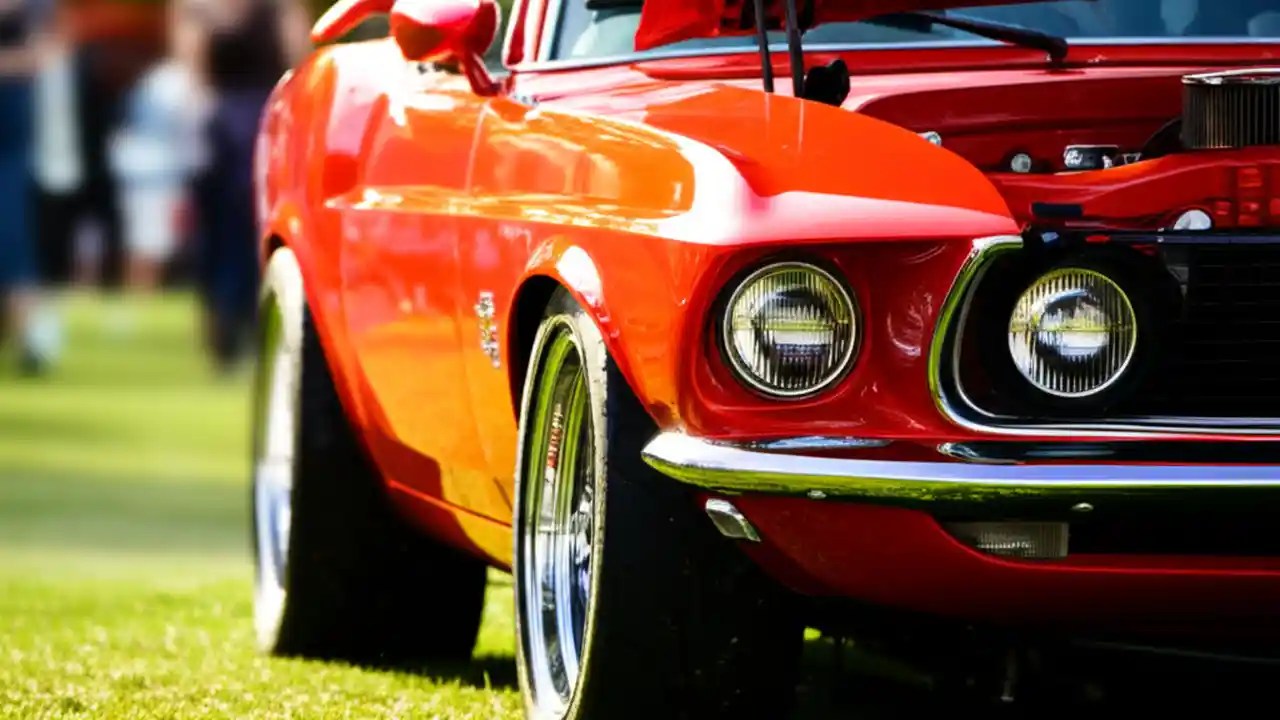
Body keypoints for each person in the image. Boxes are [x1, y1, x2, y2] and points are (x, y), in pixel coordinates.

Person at [173, 0, 310, 371]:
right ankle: (231, 329)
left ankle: (235, 329)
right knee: (229, 233)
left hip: (246, 124)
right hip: (236, 129)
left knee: (232, 234)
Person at [109, 57, 202, 292]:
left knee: (153, 243)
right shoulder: (169, 81)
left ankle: (141, 295)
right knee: (147, 244)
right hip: (153, 175)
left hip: (160, 172)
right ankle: (138, 295)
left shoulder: (168, 78)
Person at [0, 0, 58, 374]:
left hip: (11, 142)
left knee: (13, 235)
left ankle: (30, 337)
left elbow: (41, 56)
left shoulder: (36, 9)